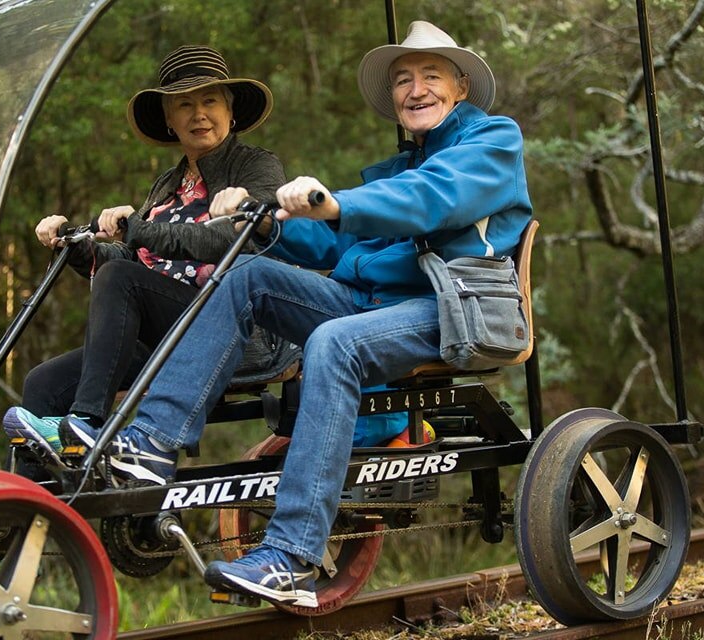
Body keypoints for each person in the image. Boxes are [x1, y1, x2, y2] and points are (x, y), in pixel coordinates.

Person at [63, 21, 532, 607]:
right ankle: (150, 445)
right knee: (250, 276)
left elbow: (433, 199)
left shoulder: (491, 142)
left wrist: (336, 202)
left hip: (450, 310)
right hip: (368, 305)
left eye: (430, 76)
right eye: (403, 80)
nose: (416, 90)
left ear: (460, 86)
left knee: (334, 342)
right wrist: (261, 221)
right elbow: (336, 249)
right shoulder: (396, 167)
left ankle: (290, 555)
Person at [2, 45, 288, 465]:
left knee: (119, 276)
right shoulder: (166, 184)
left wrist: (138, 229)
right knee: (43, 383)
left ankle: (86, 422)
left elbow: (229, 240)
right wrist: (78, 248)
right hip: (163, 331)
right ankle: (33, 510)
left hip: (227, 325)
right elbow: (136, 261)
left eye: (210, 100)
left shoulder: (257, 168)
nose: (199, 114)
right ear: (170, 121)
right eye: (184, 105)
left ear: (230, 110)